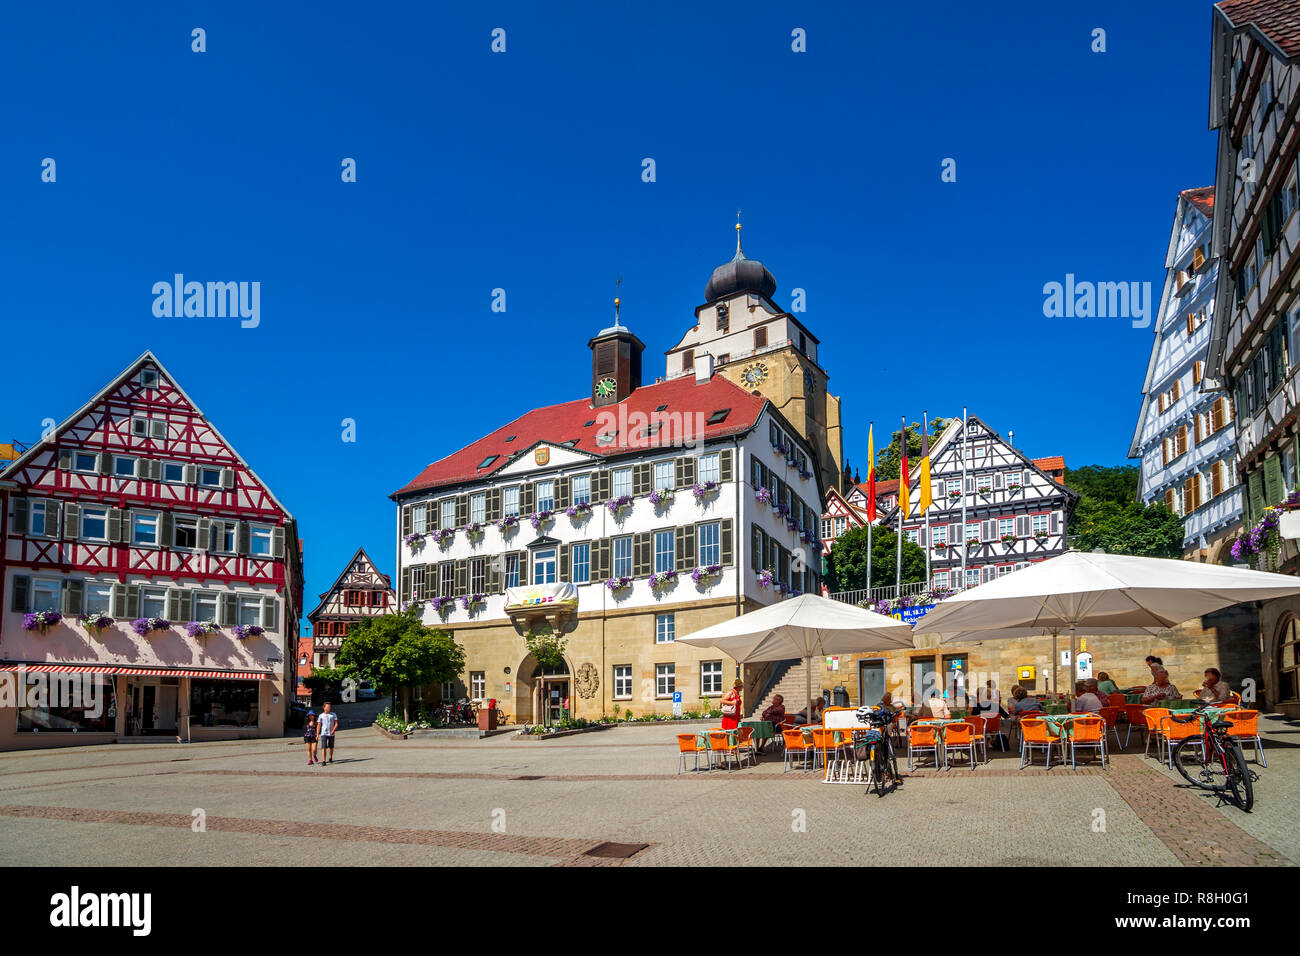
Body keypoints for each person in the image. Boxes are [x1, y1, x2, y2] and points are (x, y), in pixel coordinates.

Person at [316, 701, 339, 765]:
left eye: (330, 707)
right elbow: (318, 725)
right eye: (328, 707)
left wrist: (333, 730)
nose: (329, 708)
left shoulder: (333, 714)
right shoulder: (321, 716)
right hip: (323, 733)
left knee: (331, 747)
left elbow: (336, 724)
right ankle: (324, 761)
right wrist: (317, 734)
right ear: (324, 707)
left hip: (331, 734)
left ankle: (330, 757)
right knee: (324, 747)